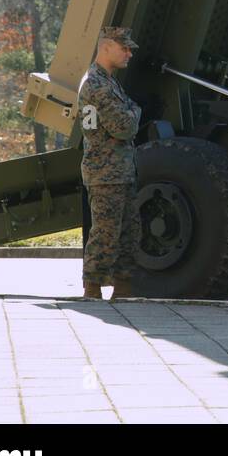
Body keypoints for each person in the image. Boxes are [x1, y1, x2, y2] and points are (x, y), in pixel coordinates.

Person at [78, 26, 143, 301]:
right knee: (105, 232)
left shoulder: (109, 81)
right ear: (105, 47)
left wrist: (132, 112)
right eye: (123, 48)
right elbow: (124, 126)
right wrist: (134, 111)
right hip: (105, 171)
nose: (129, 53)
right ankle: (93, 288)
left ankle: (123, 287)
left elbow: (129, 116)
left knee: (128, 231)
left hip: (120, 170)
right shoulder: (96, 84)